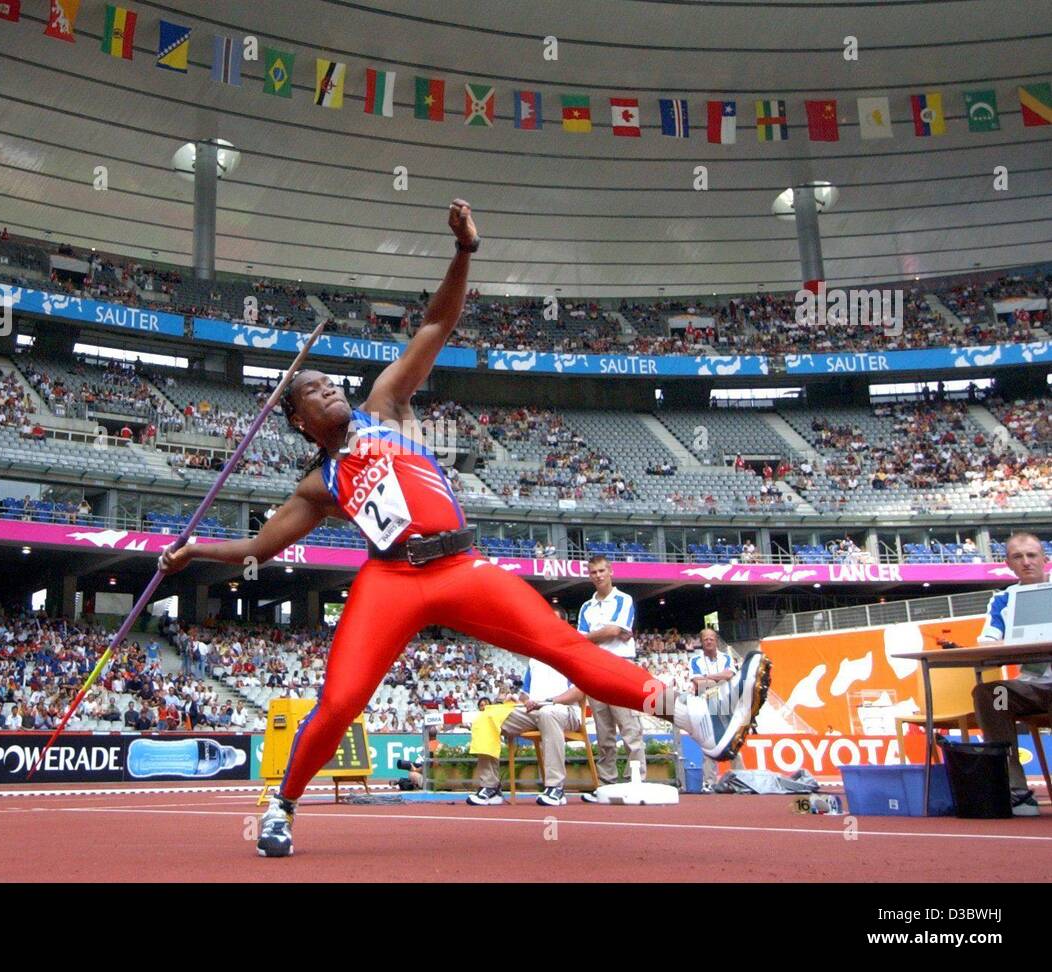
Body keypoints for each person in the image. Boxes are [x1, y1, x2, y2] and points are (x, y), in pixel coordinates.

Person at [158, 200, 771, 858]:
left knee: (561, 646)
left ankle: (695, 716)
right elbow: (258, 546)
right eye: (311, 389)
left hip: (460, 566)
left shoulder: (383, 405)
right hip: (391, 580)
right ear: (299, 421)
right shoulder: (318, 485)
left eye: (329, 381)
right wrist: (194, 551)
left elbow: (434, 324)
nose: (328, 388)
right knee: (338, 703)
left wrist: (464, 253)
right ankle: (282, 804)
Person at [971, 532, 1050, 816]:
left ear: (1045, 560)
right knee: (991, 695)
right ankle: (1016, 789)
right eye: (1018, 557)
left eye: (1032, 555)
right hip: (1032, 692)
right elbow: (988, 643)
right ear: (1008, 564)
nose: (1026, 562)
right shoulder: (1002, 601)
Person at [574, 555, 646, 802]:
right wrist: (608, 633)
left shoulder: (624, 599)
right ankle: (607, 784)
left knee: (629, 728)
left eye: (601, 570)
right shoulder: (586, 606)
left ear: (611, 571)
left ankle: (637, 782)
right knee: (604, 733)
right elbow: (584, 639)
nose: (598, 575)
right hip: (595, 669)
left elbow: (614, 631)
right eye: (593, 572)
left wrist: (600, 634)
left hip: (620, 667)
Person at [467, 658, 582, 807]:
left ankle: (556, 787)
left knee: (548, 713)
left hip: (564, 709)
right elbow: (525, 694)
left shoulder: (570, 655)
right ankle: (490, 787)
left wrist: (548, 701)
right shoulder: (534, 659)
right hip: (533, 711)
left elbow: (578, 692)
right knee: (486, 716)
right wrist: (522, 700)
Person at [691, 629, 742, 789]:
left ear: (716, 640)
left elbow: (729, 676)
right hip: (706, 706)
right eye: (705, 639)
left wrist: (707, 677)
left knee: (733, 742)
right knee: (709, 744)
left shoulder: (726, 657)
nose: (708, 641)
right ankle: (709, 782)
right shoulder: (695, 660)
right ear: (701, 641)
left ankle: (740, 780)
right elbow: (698, 683)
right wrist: (717, 679)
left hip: (727, 705)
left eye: (711, 638)